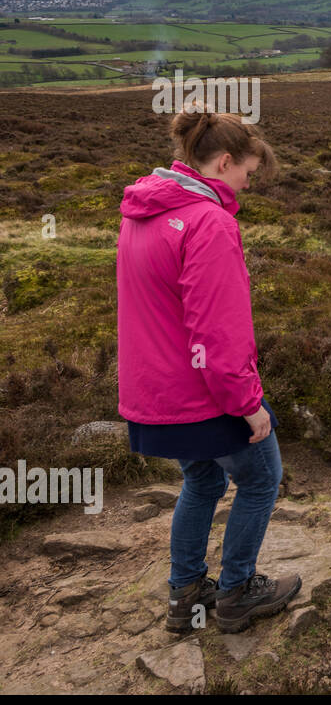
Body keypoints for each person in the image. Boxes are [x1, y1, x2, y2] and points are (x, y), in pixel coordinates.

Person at [117, 111, 301, 636]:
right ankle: (238, 593)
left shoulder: (141, 210)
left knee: (201, 479)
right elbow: (218, 332)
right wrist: (246, 404)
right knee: (262, 479)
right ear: (223, 162)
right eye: (247, 172)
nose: (248, 184)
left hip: (156, 390)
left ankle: (186, 595)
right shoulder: (209, 221)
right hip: (204, 394)